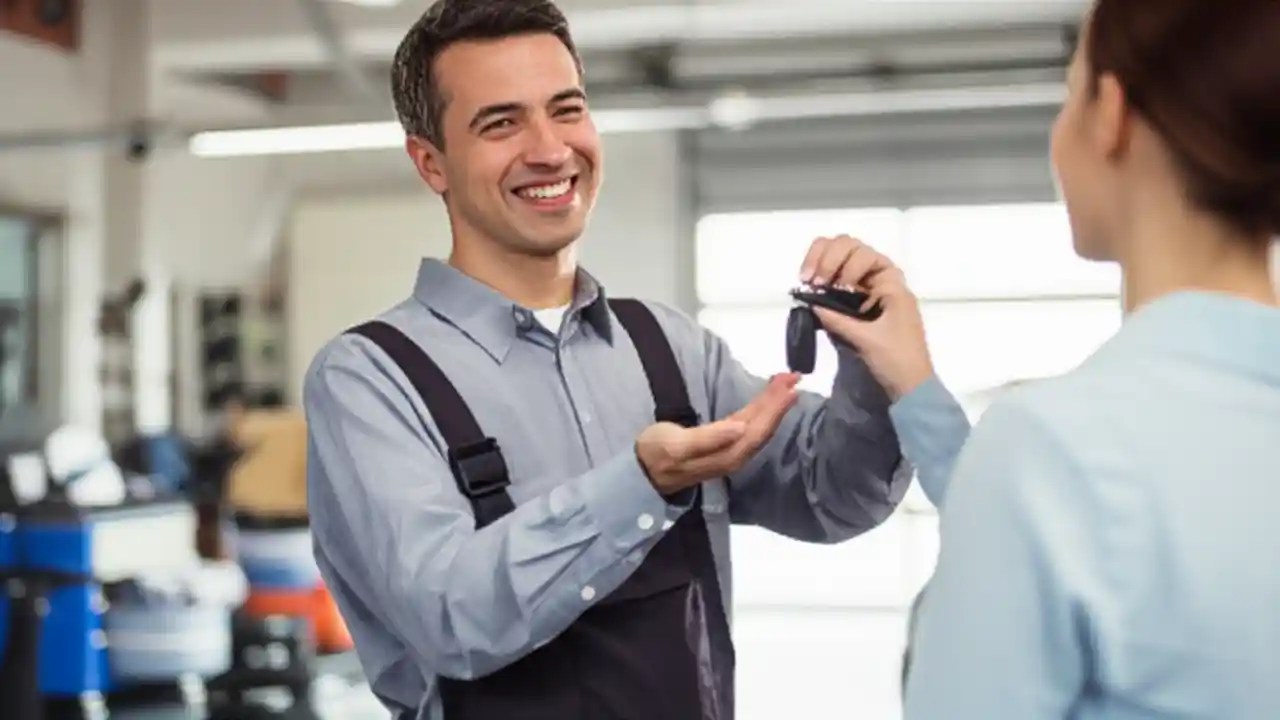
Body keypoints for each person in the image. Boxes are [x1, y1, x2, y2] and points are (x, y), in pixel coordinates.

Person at [301, 1, 924, 718]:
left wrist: (874, 368)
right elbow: (449, 617)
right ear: (431, 162)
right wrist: (642, 485)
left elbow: (834, 497)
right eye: (501, 123)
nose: (549, 149)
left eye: (566, 109)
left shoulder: (666, 349)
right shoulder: (369, 380)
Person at [823, 0, 1280, 717]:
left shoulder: (1051, 450)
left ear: (1112, 116)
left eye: (1071, 93)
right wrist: (917, 389)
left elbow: (1071, 504)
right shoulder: (1066, 458)